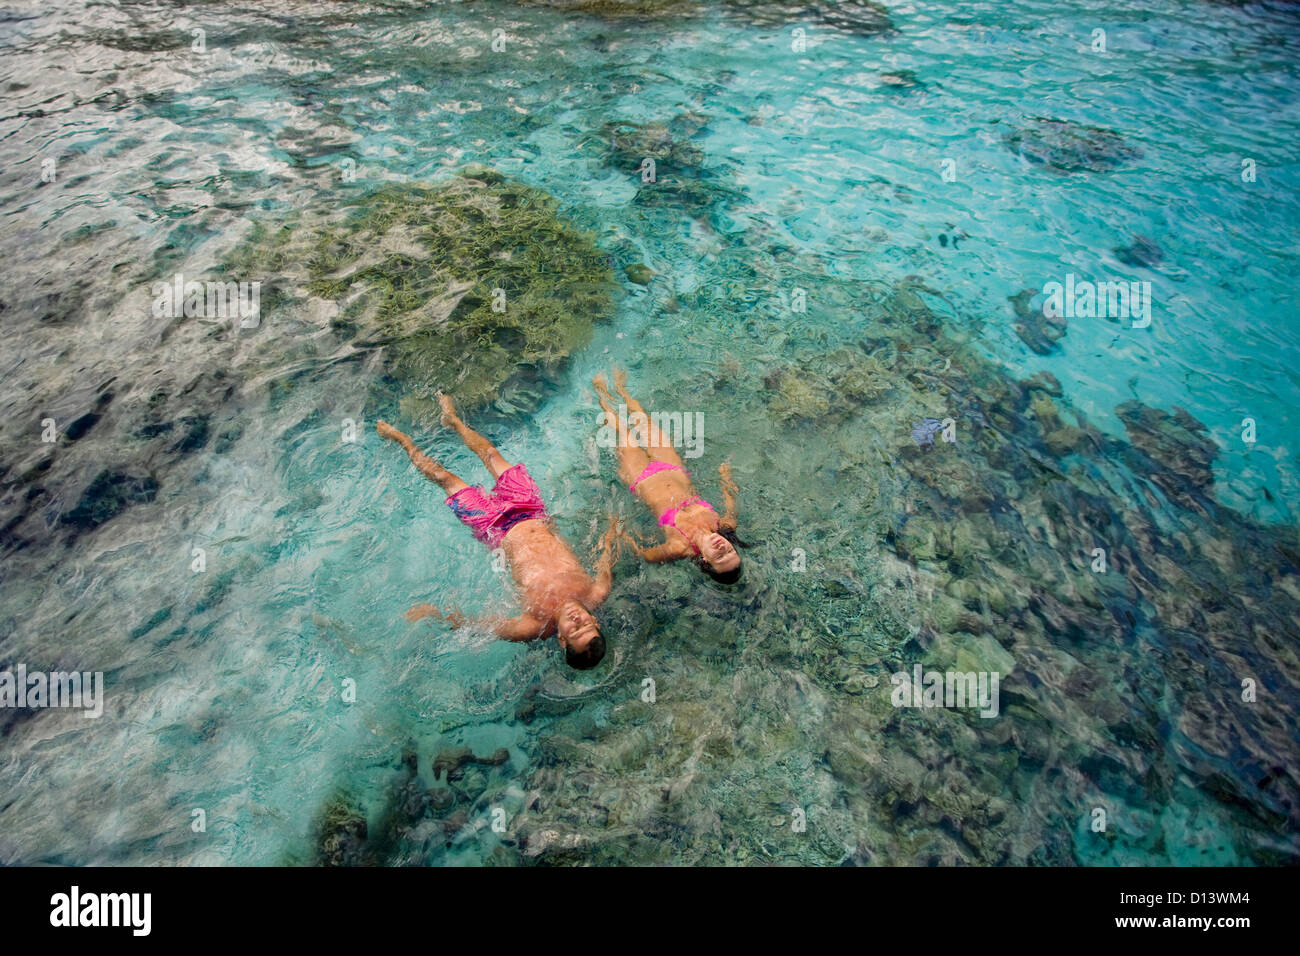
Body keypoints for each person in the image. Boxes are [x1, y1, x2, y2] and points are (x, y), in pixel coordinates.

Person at [377, 393, 618, 669]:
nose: (578, 619)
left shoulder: (532, 626)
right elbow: (606, 558)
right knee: (490, 454)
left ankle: (400, 439)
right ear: (595, 621)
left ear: (562, 639)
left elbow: (480, 627)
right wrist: (612, 529)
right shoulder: (596, 592)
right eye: (587, 624)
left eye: (574, 630)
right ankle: (453, 420)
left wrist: (437, 615)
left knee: (445, 478)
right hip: (531, 509)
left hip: (495, 528)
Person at [592, 368, 747, 583]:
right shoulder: (724, 525)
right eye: (730, 551)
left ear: (704, 561)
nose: (723, 548)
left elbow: (645, 554)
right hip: (673, 468)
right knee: (643, 420)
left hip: (641, 478)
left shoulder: (679, 547)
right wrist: (725, 477)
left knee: (622, 431)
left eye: (720, 556)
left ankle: (601, 394)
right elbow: (731, 500)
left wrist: (620, 534)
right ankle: (621, 389)